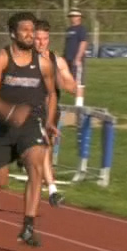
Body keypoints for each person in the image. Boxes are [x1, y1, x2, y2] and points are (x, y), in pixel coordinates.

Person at [0, 12, 59, 247]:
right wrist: (10, 113)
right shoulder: (2, 59)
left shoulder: (43, 63)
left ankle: (28, 226)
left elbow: (52, 93)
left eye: (32, 30)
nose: (30, 34)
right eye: (25, 30)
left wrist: (50, 121)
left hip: (31, 124)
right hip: (2, 127)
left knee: (35, 164)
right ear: (13, 33)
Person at [33, 18, 78, 208]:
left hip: (51, 112)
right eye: (37, 39)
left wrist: (57, 75)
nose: (41, 43)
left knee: (47, 152)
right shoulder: (24, 60)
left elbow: (73, 87)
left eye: (45, 38)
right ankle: (52, 190)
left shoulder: (57, 61)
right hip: (30, 112)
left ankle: (47, 186)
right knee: (42, 149)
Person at [63, 10, 88, 102]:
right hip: (67, 59)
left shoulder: (81, 29)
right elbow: (67, 44)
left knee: (79, 83)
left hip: (76, 60)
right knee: (66, 82)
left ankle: (79, 105)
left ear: (79, 17)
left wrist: (78, 58)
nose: (72, 17)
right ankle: (76, 96)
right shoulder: (69, 30)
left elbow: (83, 43)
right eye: (71, 16)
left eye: (74, 16)